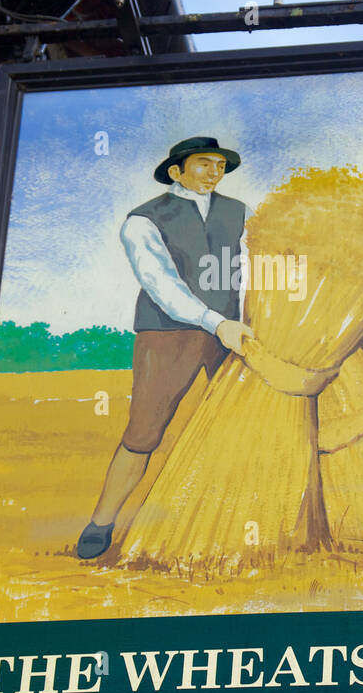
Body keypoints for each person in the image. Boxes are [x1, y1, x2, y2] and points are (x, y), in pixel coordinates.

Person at [76, 135, 252, 560]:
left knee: (242, 424)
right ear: (176, 171)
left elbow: (260, 261)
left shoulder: (240, 213)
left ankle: (225, 524)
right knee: (144, 432)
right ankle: (102, 521)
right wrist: (216, 322)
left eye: (220, 165)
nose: (215, 172)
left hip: (233, 332)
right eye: (204, 164)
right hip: (167, 334)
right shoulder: (143, 221)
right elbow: (162, 287)